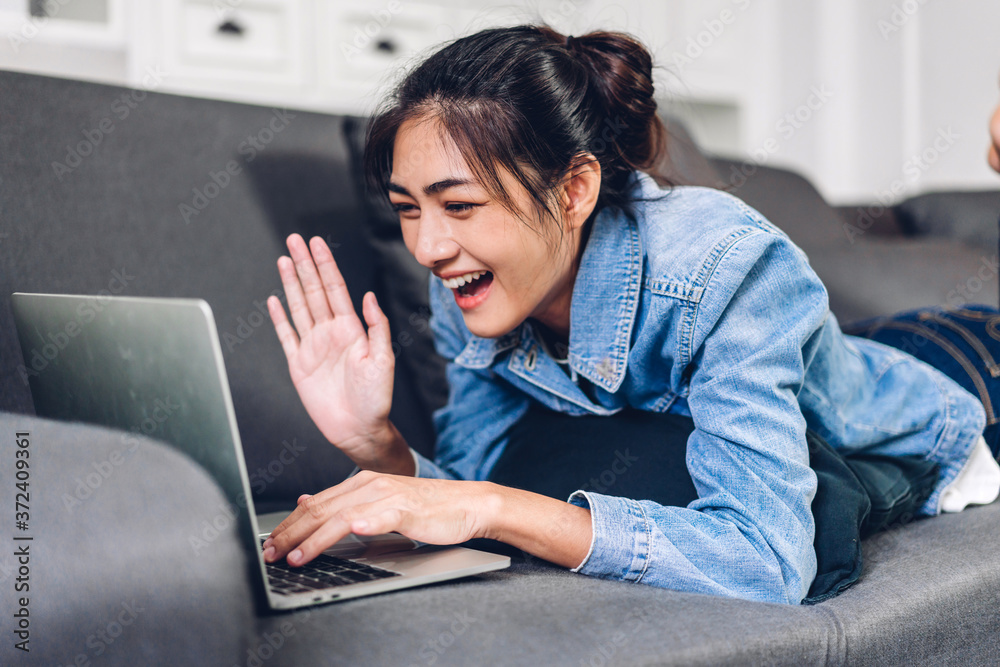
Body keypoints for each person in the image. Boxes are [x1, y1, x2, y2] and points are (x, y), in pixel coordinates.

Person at [260, 25, 1000, 605]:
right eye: (407, 209)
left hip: (955, 374)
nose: (427, 246)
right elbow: (469, 482)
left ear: (574, 190)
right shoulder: (471, 279)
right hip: (824, 363)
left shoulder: (725, 267)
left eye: (459, 205)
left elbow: (769, 563)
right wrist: (376, 442)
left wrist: (496, 507)